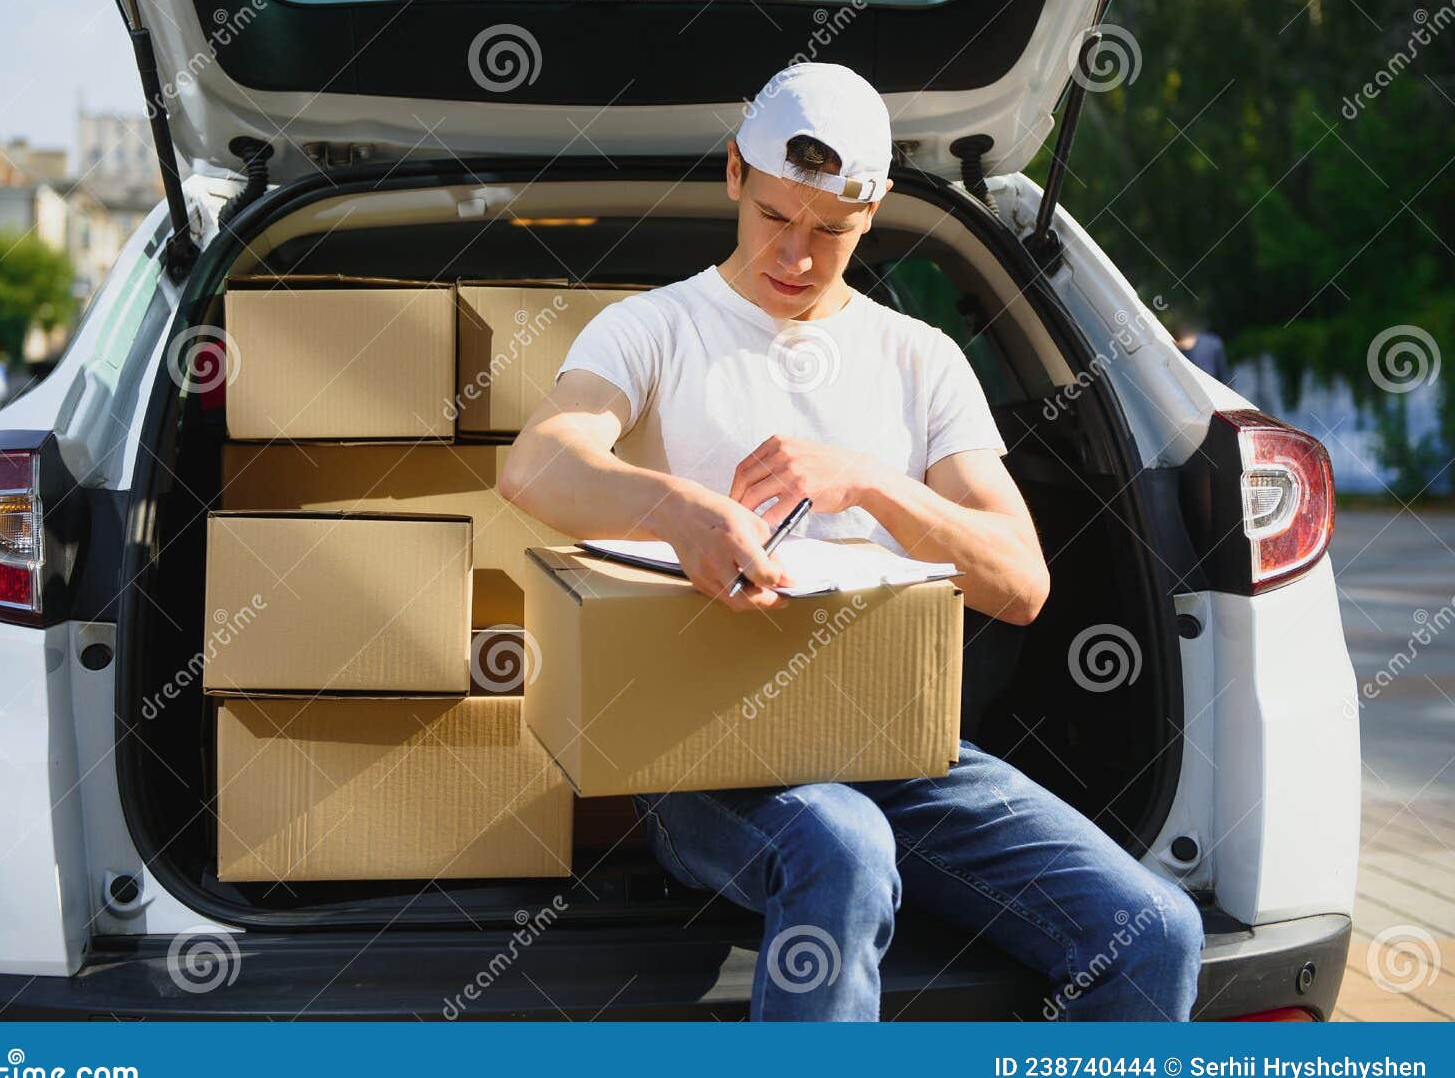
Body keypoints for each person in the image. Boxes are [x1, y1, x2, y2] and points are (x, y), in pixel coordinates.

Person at [499, 62, 1203, 1022]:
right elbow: (537, 464)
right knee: (843, 845)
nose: (795, 255)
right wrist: (680, 511)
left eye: (830, 230)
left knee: (1156, 932)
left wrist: (873, 484)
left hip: (900, 751)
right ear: (735, 175)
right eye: (774, 217)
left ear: (871, 213)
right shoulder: (654, 328)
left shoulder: (921, 360)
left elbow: (1019, 581)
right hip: (701, 762)